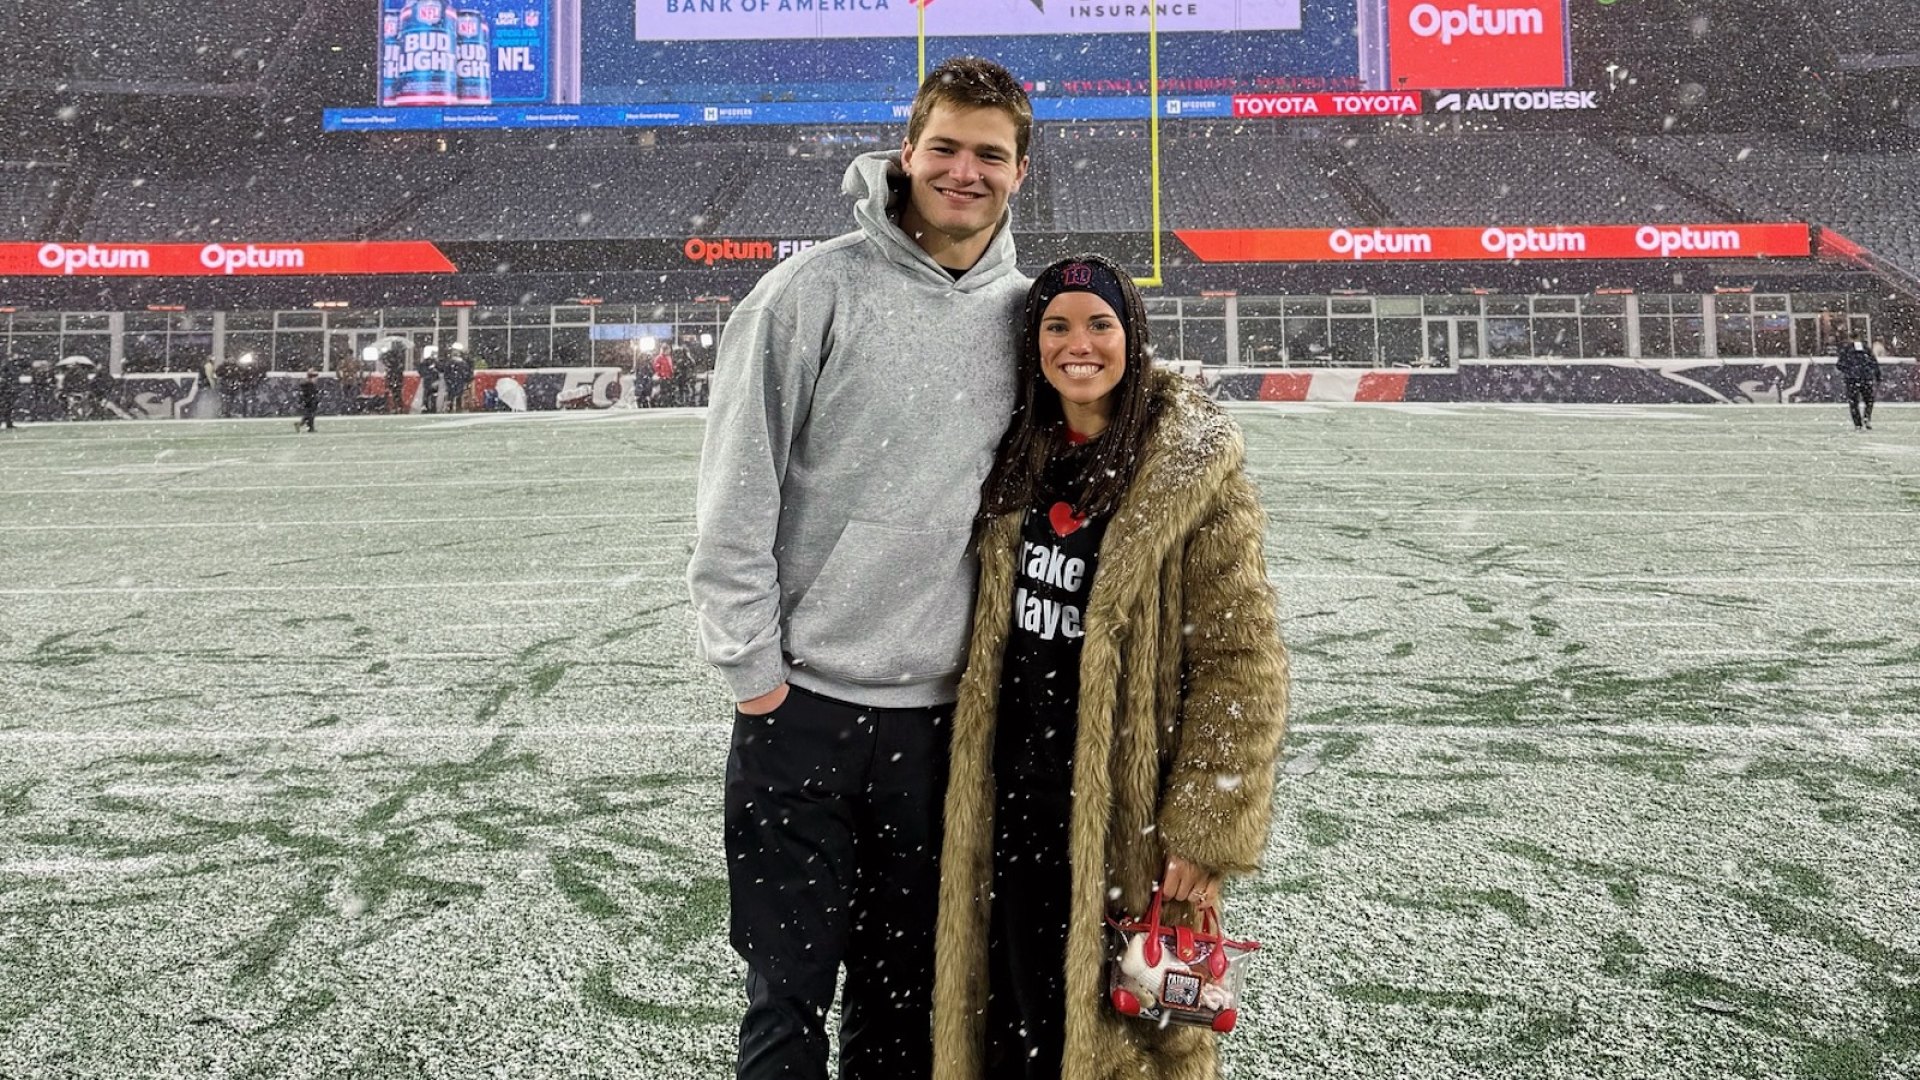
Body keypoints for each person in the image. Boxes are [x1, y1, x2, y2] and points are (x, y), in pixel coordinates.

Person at [687, 55, 1034, 1080]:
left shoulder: (1027, 316)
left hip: (941, 727)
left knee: (905, 1007)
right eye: (945, 148)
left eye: (989, 154)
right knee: (785, 1000)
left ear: (1020, 169)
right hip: (802, 711)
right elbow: (736, 492)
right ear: (906, 152)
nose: (964, 171)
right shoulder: (810, 291)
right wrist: (756, 678)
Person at [931, 255, 1290, 1080]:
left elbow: (1241, 661)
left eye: (1100, 324)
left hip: (1130, 813)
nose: (1079, 345)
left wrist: (1204, 827)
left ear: (1133, 336)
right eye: (1056, 327)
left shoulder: (1188, 473)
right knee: (1018, 1014)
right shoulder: (1013, 453)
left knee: (1126, 1039)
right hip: (1012, 793)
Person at [1836, 337, 1881, 431]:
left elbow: (1839, 364)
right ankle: (1866, 417)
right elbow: (1874, 362)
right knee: (1869, 400)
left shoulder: (1846, 349)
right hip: (1865, 378)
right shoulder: (1866, 349)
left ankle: (1858, 423)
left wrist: (1849, 371)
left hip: (1852, 379)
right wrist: (1877, 376)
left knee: (1854, 402)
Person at [0, 352, 23, 429]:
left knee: (7, 406)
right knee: (6, 406)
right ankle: (7, 422)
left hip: (7, 388)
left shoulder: (9, 365)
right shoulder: (9, 365)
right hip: (7, 388)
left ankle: (8, 422)